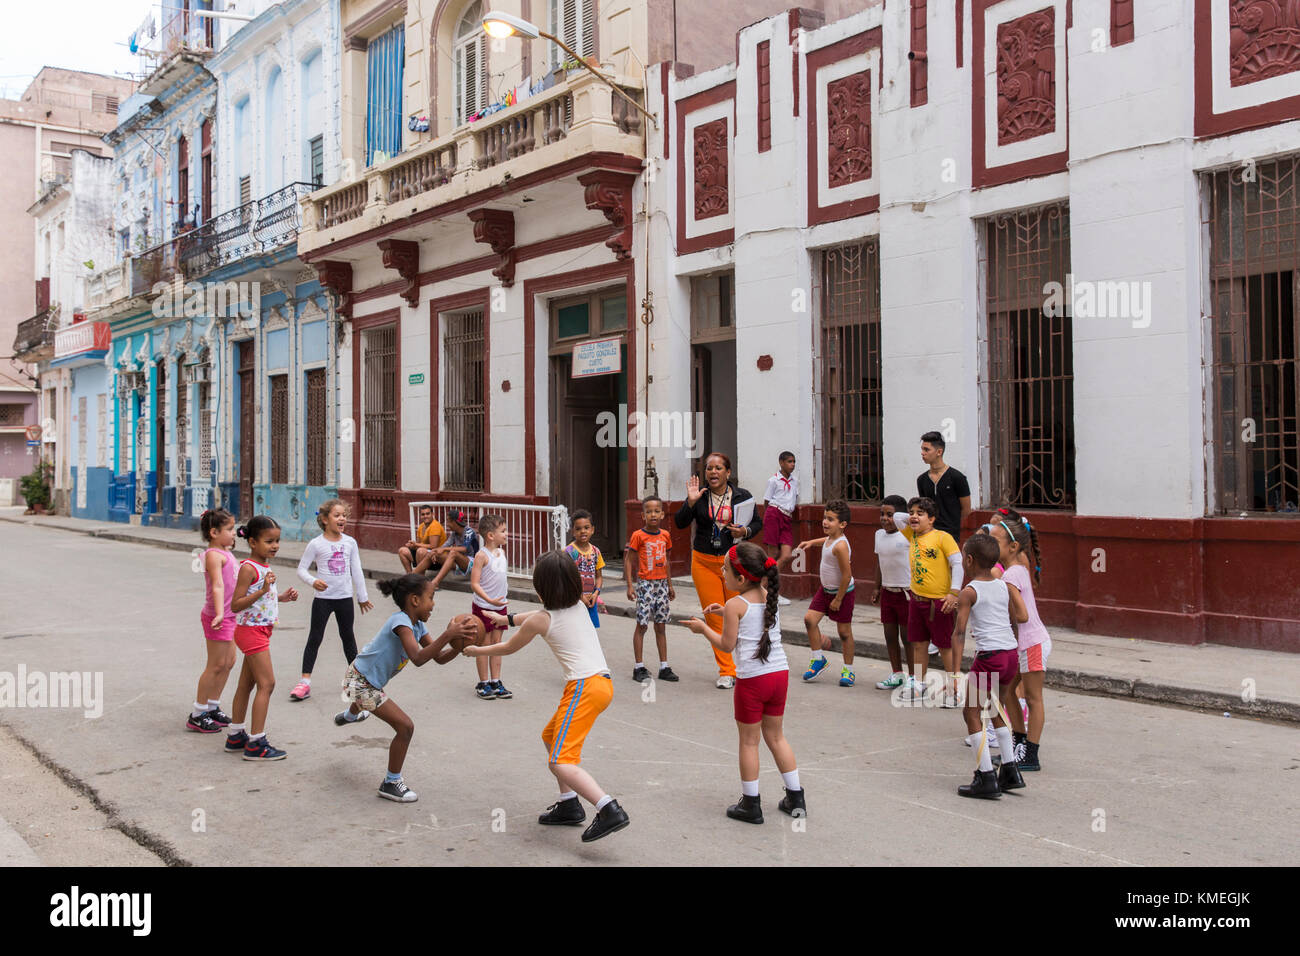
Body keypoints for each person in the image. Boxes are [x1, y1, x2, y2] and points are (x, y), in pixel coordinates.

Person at [468, 552, 630, 843]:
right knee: (550, 736)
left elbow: (507, 648)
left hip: (584, 687)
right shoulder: (579, 604)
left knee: (559, 760)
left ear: (540, 587)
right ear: (572, 582)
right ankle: (568, 804)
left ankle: (609, 808)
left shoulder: (543, 620)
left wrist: (476, 651)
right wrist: (505, 618)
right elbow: (532, 617)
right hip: (599, 684)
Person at [683, 543, 805, 823]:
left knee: (749, 742)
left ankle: (751, 804)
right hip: (779, 674)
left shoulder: (735, 605)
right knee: (776, 737)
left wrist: (703, 628)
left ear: (740, 578)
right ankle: (796, 797)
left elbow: (727, 646)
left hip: (752, 681)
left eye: (725, 569)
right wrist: (723, 613)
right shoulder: (768, 594)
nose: (722, 573)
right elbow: (752, 624)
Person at [337, 574, 478, 802]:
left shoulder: (418, 625)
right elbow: (418, 658)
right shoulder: (401, 623)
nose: (433, 604)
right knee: (405, 727)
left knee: (365, 698)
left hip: (363, 679)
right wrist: (448, 635)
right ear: (414, 600)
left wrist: (459, 646)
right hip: (360, 683)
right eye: (430, 598)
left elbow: (439, 658)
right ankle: (391, 782)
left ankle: (350, 714)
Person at [675, 452, 765, 688]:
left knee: (740, 614)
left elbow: (757, 523)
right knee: (714, 615)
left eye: (717, 468)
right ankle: (727, 670)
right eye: (708, 469)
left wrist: (744, 532)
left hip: (734, 564)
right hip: (703, 561)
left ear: (728, 472)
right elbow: (680, 522)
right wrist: (690, 502)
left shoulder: (742, 496)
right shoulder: (700, 496)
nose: (712, 472)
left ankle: (748, 665)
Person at [951, 533, 1028, 799]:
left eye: (963, 557)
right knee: (996, 708)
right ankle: (1010, 770)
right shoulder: (1003, 586)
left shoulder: (969, 592)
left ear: (969, 560)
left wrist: (955, 670)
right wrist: (1014, 650)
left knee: (971, 713)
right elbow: (1015, 622)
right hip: (1009, 655)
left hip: (990, 656)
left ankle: (985, 777)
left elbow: (959, 633)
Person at [225, 516, 299, 760]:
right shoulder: (249, 568)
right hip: (251, 632)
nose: (275, 545)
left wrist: (281, 597)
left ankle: (236, 735)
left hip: (258, 630)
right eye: (269, 541)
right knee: (268, 684)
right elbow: (236, 605)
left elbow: (261, 601)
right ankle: (256, 743)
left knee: (247, 685)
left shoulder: (264, 566)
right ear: (253, 542)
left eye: (277, 540)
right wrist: (263, 591)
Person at [291, 499, 373, 701]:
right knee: (315, 638)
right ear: (325, 519)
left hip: (344, 598)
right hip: (323, 599)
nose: (342, 518)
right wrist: (313, 581)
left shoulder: (350, 542)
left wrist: (362, 597)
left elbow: (357, 570)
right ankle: (304, 682)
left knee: (348, 639)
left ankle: (357, 682)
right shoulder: (316, 544)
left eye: (344, 515)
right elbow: (301, 569)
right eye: (337, 515)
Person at [988, 507, 1050, 771]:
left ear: (1012, 547)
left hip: (1032, 642)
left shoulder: (1011, 574)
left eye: (994, 541)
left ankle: (1031, 754)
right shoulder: (1015, 568)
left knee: (1033, 699)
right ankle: (1018, 743)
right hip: (1022, 644)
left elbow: (1022, 616)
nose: (990, 545)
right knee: (1008, 692)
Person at [892, 497, 963, 702]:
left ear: (932, 519)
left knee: (944, 647)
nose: (913, 516)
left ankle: (953, 689)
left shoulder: (942, 537)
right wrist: (916, 518)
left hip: (939, 603)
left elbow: (957, 564)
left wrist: (954, 593)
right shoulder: (911, 535)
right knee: (918, 644)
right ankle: (919, 684)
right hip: (916, 600)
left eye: (920, 513)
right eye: (912, 512)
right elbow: (898, 517)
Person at [797, 500, 858, 687]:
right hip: (825, 591)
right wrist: (811, 542)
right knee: (809, 620)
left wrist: (839, 599)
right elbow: (826, 541)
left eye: (830, 519)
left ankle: (849, 671)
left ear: (842, 524)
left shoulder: (840, 546)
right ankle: (818, 659)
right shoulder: (831, 538)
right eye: (825, 517)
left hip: (842, 593)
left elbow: (847, 576)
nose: (825, 522)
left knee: (844, 633)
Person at [188, 509, 238, 733]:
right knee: (215, 665)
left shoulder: (226, 552)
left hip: (231, 615)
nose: (234, 532)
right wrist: (219, 613)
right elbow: (217, 585)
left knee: (228, 663)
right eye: (229, 529)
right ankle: (197, 714)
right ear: (214, 532)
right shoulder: (212, 555)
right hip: (218, 617)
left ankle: (212, 706)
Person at [625, 495, 677, 683]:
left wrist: (670, 585)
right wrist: (631, 586)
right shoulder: (638, 536)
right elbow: (629, 560)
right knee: (642, 625)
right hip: (646, 584)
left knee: (661, 626)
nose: (653, 514)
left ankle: (664, 666)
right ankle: (638, 667)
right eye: (649, 511)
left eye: (656, 511)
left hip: (662, 584)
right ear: (643, 515)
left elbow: (667, 561)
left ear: (662, 514)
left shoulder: (665, 535)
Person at [469, 513, 511, 700]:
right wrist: (490, 600)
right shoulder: (481, 555)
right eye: (503, 531)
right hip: (483, 607)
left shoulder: (501, 553)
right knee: (483, 644)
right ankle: (483, 683)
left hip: (500, 607)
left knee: (497, 644)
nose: (507, 534)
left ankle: (496, 681)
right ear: (490, 536)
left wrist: (498, 602)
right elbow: (475, 583)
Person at [873, 495, 912, 690]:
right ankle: (897, 673)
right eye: (882, 514)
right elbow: (879, 563)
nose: (884, 518)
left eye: (889, 515)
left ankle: (914, 678)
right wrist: (876, 587)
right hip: (888, 591)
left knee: (908, 638)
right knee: (890, 635)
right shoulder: (879, 535)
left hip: (906, 592)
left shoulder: (908, 535)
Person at [917, 431, 971, 544]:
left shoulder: (957, 477)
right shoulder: (921, 480)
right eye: (922, 449)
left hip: (950, 536)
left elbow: (966, 509)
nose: (922, 453)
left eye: (926, 450)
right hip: (929, 535)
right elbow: (924, 508)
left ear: (939, 452)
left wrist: (951, 523)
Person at [762, 451, 799, 604]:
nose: (793, 464)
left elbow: (795, 499)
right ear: (781, 463)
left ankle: (762, 586)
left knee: (786, 555)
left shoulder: (795, 481)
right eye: (789, 461)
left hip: (787, 518)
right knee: (772, 554)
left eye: (794, 461)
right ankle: (772, 593)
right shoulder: (773, 481)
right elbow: (766, 502)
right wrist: (770, 519)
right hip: (774, 514)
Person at [564, 510, 605, 629]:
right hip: (573, 601)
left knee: (590, 631)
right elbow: (567, 579)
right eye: (578, 529)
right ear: (573, 532)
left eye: (586, 527)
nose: (583, 531)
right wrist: (579, 596)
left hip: (591, 601)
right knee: (574, 631)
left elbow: (599, 576)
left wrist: (596, 593)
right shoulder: (569, 552)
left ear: (592, 529)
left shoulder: (596, 552)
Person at [428, 509, 478, 592]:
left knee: (453, 553)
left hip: (473, 564)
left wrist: (444, 549)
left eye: (448, 521)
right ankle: (416, 577)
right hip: (459, 563)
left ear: (454, 522)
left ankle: (435, 583)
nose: (447, 524)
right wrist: (435, 551)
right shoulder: (454, 533)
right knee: (431, 553)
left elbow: (464, 549)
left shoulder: (469, 531)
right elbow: (444, 546)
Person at [398, 504, 445, 574]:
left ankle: (420, 579)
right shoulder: (421, 526)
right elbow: (418, 544)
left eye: (427, 514)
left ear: (432, 514)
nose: (425, 516)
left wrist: (416, 544)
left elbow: (433, 546)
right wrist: (412, 545)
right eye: (423, 514)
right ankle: (410, 576)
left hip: (436, 558)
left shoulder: (435, 525)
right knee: (402, 550)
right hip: (423, 555)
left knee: (420, 551)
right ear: (420, 516)